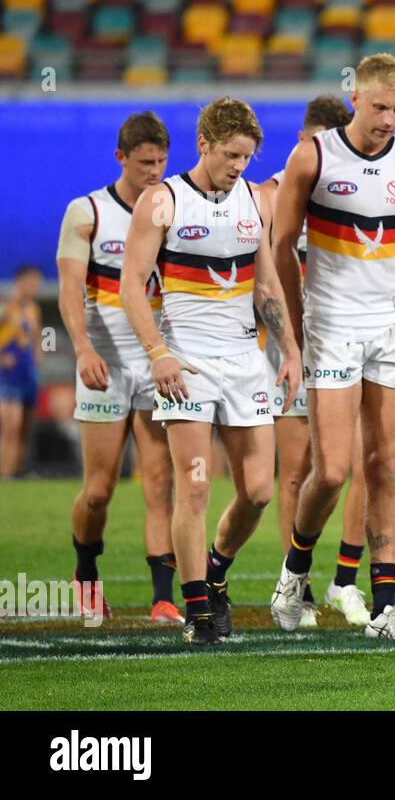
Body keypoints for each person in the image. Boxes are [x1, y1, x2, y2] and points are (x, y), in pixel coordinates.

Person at [269, 54, 395, 641]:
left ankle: (385, 609)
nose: (388, 120)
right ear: (356, 99)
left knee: (386, 466)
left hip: (394, 326)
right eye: (379, 108)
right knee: (331, 471)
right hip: (332, 324)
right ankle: (295, 571)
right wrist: (292, 335)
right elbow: (279, 250)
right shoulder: (314, 156)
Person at [120, 97, 301, 645]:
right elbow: (131, 285)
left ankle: (216, 572)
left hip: (246, 360)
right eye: (230, 155)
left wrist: (289, 351)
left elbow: (266, 284)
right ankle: (198, 612)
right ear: (203, 145)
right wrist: (158, 353)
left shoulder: (256, 200)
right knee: (194, 487)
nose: (238, 166)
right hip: (187, 362)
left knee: (259, 491)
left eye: (246, 157)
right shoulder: (162, 201)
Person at [56, 112, 180, 623]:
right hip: (105, 365)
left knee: (159, 482)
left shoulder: (174, 207)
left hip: (156, 363)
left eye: (161, 161)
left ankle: (163, 598)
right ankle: (85, 574)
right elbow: (68, 291)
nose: (155, 171)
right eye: (144, 162)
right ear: (120, 157)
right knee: (100, 489)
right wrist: (82, 348)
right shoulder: (86, 213)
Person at [258, 96, 371, 628]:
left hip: (350, 340)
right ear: (307, 143)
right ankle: (295, 586)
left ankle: (345, 580)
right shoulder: (270, 196)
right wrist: (283, 343)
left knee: (365, 463)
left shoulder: (356, 191)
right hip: (290, 347)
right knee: (299, 469)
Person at [0, 264, 43, 479]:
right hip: (9, 375)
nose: (36, 286)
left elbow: (39, 339)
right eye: (32, 282)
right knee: (11, 428)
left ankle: (16, 473)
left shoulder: (34, 309)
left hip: (29, 374)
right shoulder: (6, 307)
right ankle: (5, 474)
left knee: (25, 428)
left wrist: (40, 353)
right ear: (20, 281)